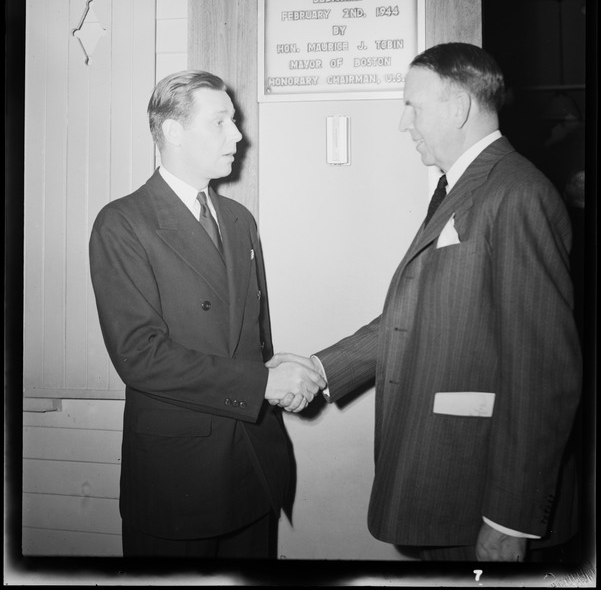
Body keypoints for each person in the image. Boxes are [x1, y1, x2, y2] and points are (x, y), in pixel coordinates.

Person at [269, 43, 582, 562]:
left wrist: (509, 521)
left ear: (457, 107)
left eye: (412, 105)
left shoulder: (517, 192)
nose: (403, 123)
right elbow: (414, 315)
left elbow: (544, 371)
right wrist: (323, 369)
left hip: (482, 491)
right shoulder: (466, 188)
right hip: (451, 480)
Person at [89, 70, 325, 558]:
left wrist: (274, 369)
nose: (238, 135)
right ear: (173, 132)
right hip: (180, 475)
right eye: (220, 122)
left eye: (234, 122)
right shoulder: (123, 223)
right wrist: (260, 384)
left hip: (254, 464)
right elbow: (140, 357)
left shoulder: (239, 221)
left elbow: (250, 340)